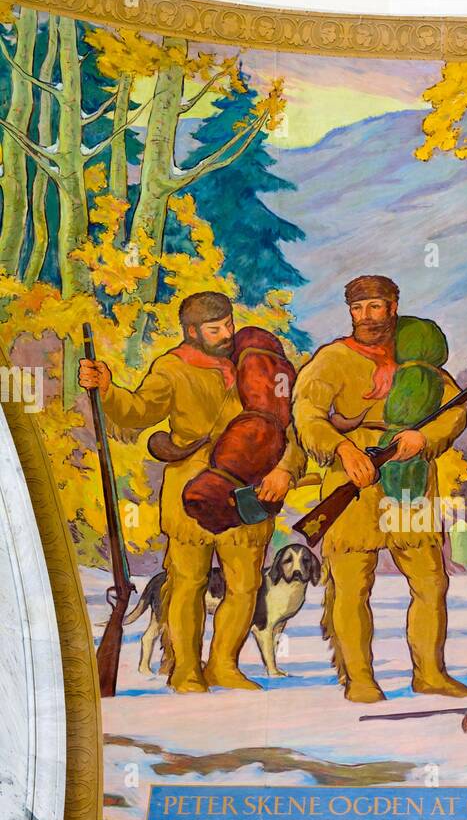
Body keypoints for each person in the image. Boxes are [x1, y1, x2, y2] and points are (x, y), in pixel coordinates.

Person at [78, 291, 305, 692]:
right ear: (192, 331)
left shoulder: (256, 363)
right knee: (186, 582)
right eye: (215, 329)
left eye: (229, 325)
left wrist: (285, 469)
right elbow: (139, 411)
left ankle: (224, 665)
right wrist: (107, 389)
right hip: (189, 491)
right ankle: (185, 669)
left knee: (245, 585)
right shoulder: (172, 367)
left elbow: (286, 425)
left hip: (247, 491)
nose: (226, 334)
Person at [291, 274, 467, 703]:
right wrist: (341, 449)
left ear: (393, 306)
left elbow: (454, 409)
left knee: (431, 581)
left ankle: (430, 674)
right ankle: (359, 681)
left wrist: (423, 438)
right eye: (358, 308)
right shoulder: (332, 359)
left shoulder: (419, 361)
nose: (366, 317)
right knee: (352, 583)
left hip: (409, 475)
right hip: (352, 477)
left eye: (375, 306)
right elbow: (307, 415)